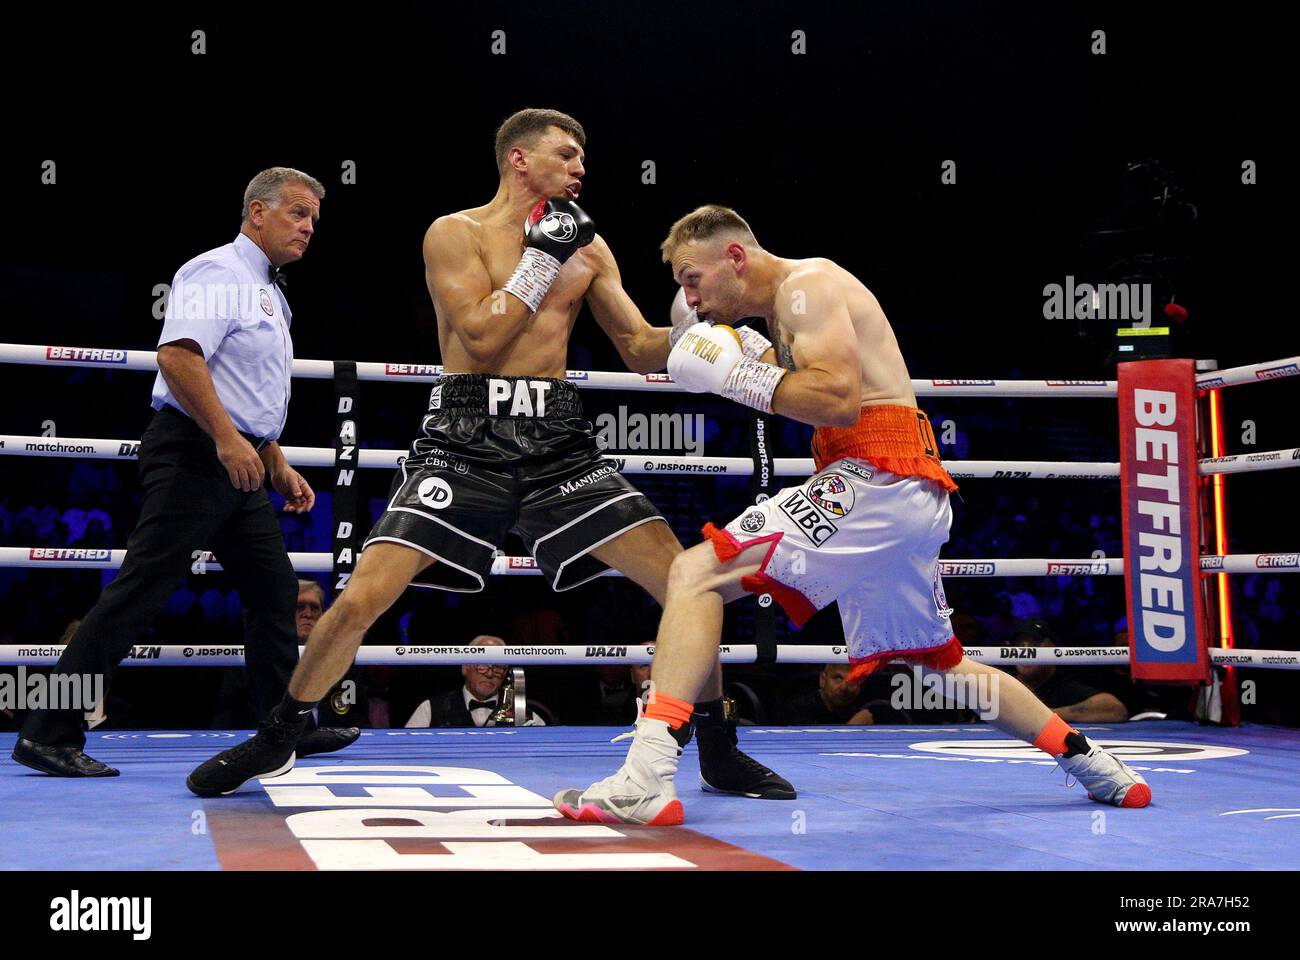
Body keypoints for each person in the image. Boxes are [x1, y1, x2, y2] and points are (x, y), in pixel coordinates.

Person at [187, 111, 793, 800]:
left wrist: (701, 330)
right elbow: (477, 336)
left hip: (559, 441)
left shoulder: (587, 248)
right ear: (519, 161)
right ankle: (278, 736)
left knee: (689, 578)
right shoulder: (456, 233)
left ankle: (715, 745)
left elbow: (636, 345)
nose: (580, 168)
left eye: (582, 157)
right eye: (566, 155)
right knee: (363, 596)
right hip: (465, 436)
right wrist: (539, 262)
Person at [556, 204, 1152, 825]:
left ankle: (646, 776)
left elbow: (838, 400)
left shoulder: (806, 288)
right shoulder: (777, 314)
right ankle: (1095, 765)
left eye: (693, 280)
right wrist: (601, 272)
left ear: (735, 257)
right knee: (938, 659)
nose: (690, 298)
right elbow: (647, 347)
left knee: (694, 574)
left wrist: (741, 377)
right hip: (900, 489)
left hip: (876, 475)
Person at [11, 168, 358, 777]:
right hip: (197, 454)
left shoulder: (270, 291)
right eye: (298, 214)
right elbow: (178, 356)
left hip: (239, 460)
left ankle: (286, 729)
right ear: (257, 212)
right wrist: (226, 438)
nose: (308, 228)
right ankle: (45, 730)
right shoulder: (217, 273)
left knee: (275, 591)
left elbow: (245, 385)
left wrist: (270, 454)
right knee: (139, 590)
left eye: (313, 220)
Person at [404, 635, 545, 727]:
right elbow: (406, 751)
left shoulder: (522, 713)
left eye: (498, 666)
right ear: (465, 667)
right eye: (482, 664)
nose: (489, 673)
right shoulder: (431, 708)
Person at [1011, 620, 1130, 722]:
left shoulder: (1063, 686)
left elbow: (1115, 709)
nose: (1025, 650)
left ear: (1053, 647)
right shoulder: (1001, 681)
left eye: (1034, 643)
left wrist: (1043, 715)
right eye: (1019, 643)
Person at [782, 664, 876, 725]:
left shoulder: (862, 708)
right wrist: (851, 728)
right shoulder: (800, 709)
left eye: (853, 680)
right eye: (837, 678)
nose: (844, 687)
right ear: (822, 680)